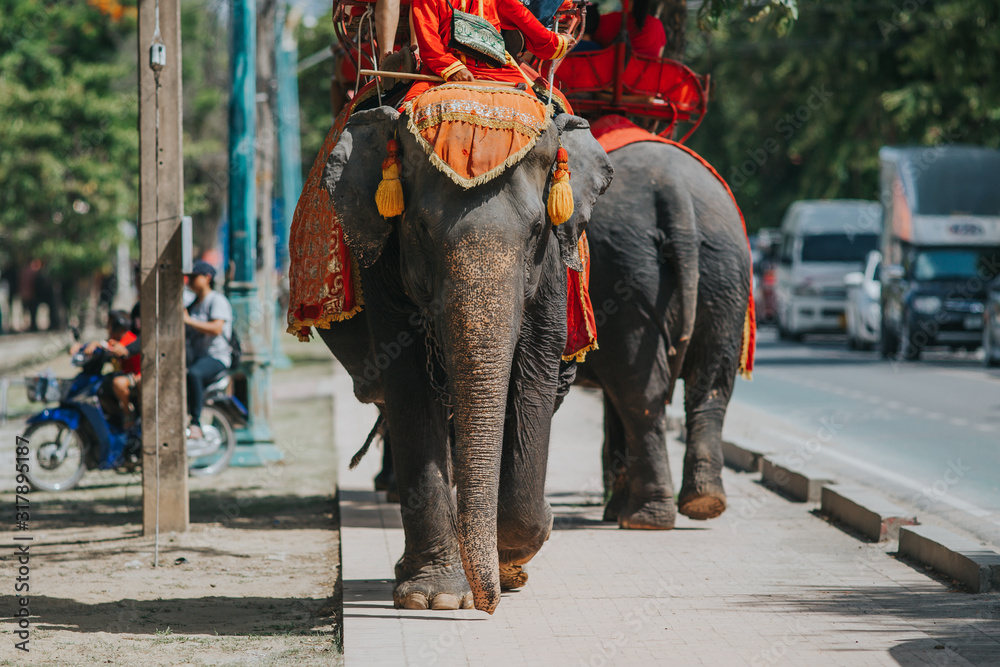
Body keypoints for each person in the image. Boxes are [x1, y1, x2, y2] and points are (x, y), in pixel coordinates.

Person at [407, 0, 575, 99]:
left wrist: (555, 41)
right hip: (443, 69)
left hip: (496, 68)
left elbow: (523, 18)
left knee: (547, 114)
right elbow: (427, 36)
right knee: (406, 114)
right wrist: (453, 69)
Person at [183, 260, 233, 440]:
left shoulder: (217, 300)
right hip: (198, 357)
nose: (190, 280)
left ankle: (195, 423)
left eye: (194, 277)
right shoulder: (193, 304)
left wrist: (189, 321)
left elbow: (217, 328)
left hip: (217, 357)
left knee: (194, 374)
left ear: (207, 278)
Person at [593, 0, 665, 58]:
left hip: (608, 71)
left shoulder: (605, 21)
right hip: (646, 72)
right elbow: (658, 59)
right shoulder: (657, 26)